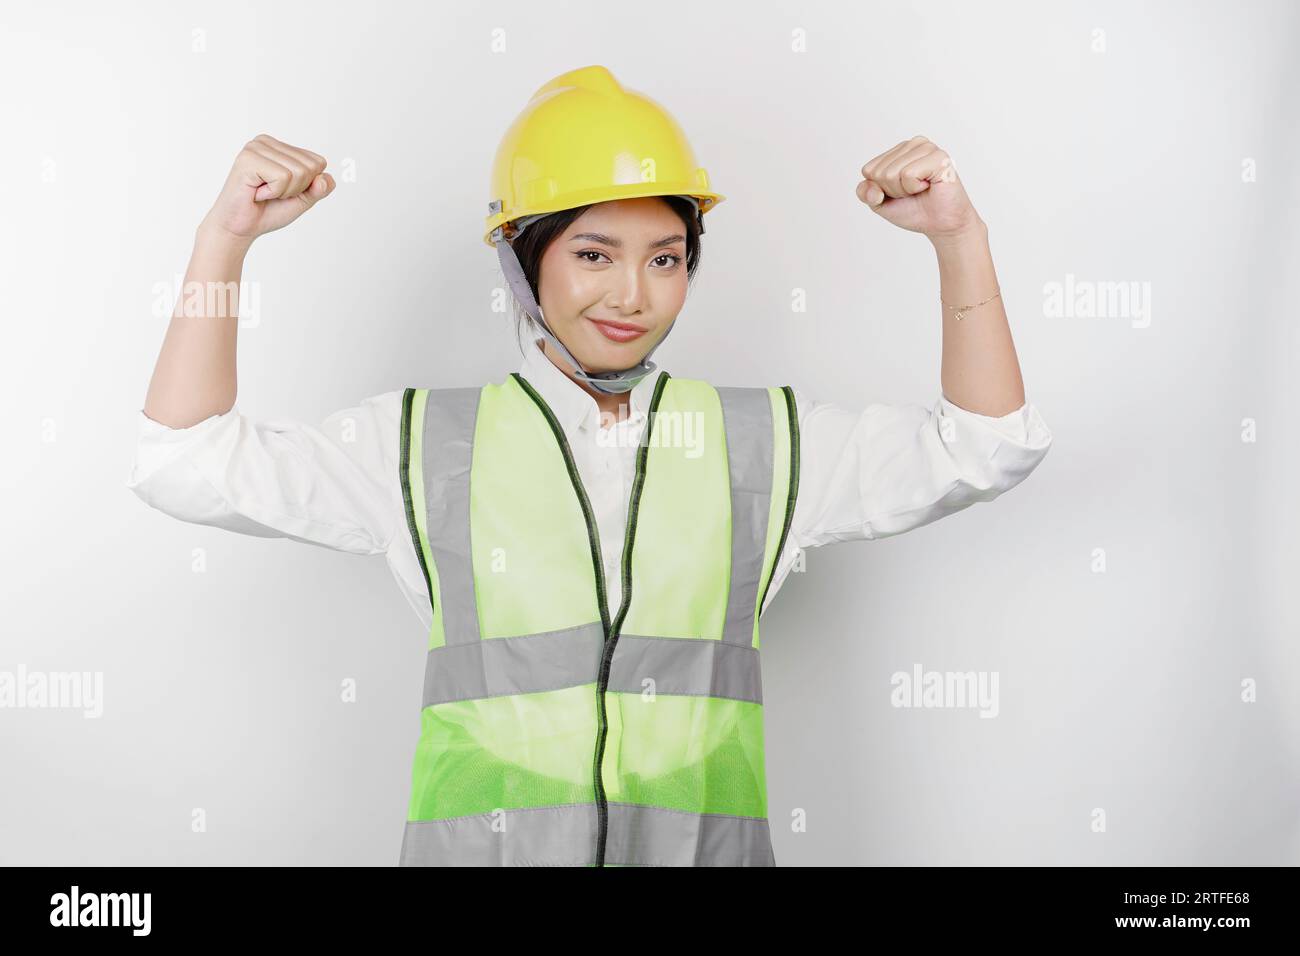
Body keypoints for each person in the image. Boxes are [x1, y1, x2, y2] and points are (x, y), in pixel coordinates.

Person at [127, 65, 1052, 866]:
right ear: (523, 262)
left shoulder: (766, 442)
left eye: (667, 257)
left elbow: (986, 444)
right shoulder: (416, 443)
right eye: (593, 254)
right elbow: (183, 461)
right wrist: (225, 242)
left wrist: (958, 240)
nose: (632, 295)